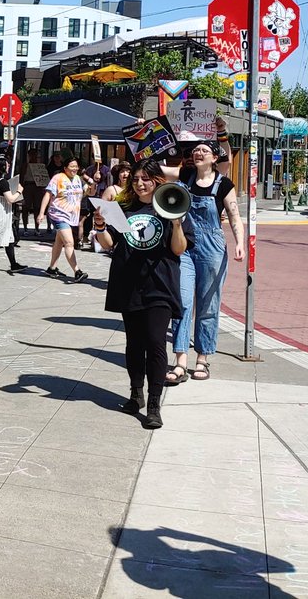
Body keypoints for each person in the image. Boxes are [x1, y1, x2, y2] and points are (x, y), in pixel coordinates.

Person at [91, 158, 193, 430]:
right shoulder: (123, 208)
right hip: (128, 282)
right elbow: (109, 244)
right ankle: (136, 393)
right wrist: (100, 227)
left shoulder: (172, 204)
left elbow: (179, 250)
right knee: (134, 342)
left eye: (145, 179)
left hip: (159, 284)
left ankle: (154, 404)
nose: (139, 184)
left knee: (156, 342)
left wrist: (176, 224)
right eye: (135, 179)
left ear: (157, 180)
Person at [166, 137, 244, 386]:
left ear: (214, 157)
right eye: (195, 150)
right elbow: (155, 168)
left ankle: (202, 358)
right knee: (182, 302)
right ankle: (180, 361)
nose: (198, 153)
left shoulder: (225, 185)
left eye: (204, 150)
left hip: (212, 250)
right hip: (186, 246)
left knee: (208, 306)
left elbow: (234, 215)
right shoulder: (184, 176)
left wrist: (240, 242)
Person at [37, 158, 88, 282]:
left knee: (59, 242)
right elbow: (48, 195)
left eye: (76, 166)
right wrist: (41, 213)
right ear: (65, 168)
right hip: (58, 214)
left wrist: (94, 181)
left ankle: (52, 267)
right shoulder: (58, 178)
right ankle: (77, 271)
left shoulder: (78, 179)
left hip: (72, 216)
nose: (74, 169)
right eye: (72, 166)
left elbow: (89, 192)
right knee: (69, 242)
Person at [0, 158, 27, 274]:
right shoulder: (3, 182)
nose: (8, 167)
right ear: (2, 167)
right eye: (7, 165)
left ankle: (13, 264)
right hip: (1, 212)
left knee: (9, 238)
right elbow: (10, 199)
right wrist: (19, 191)